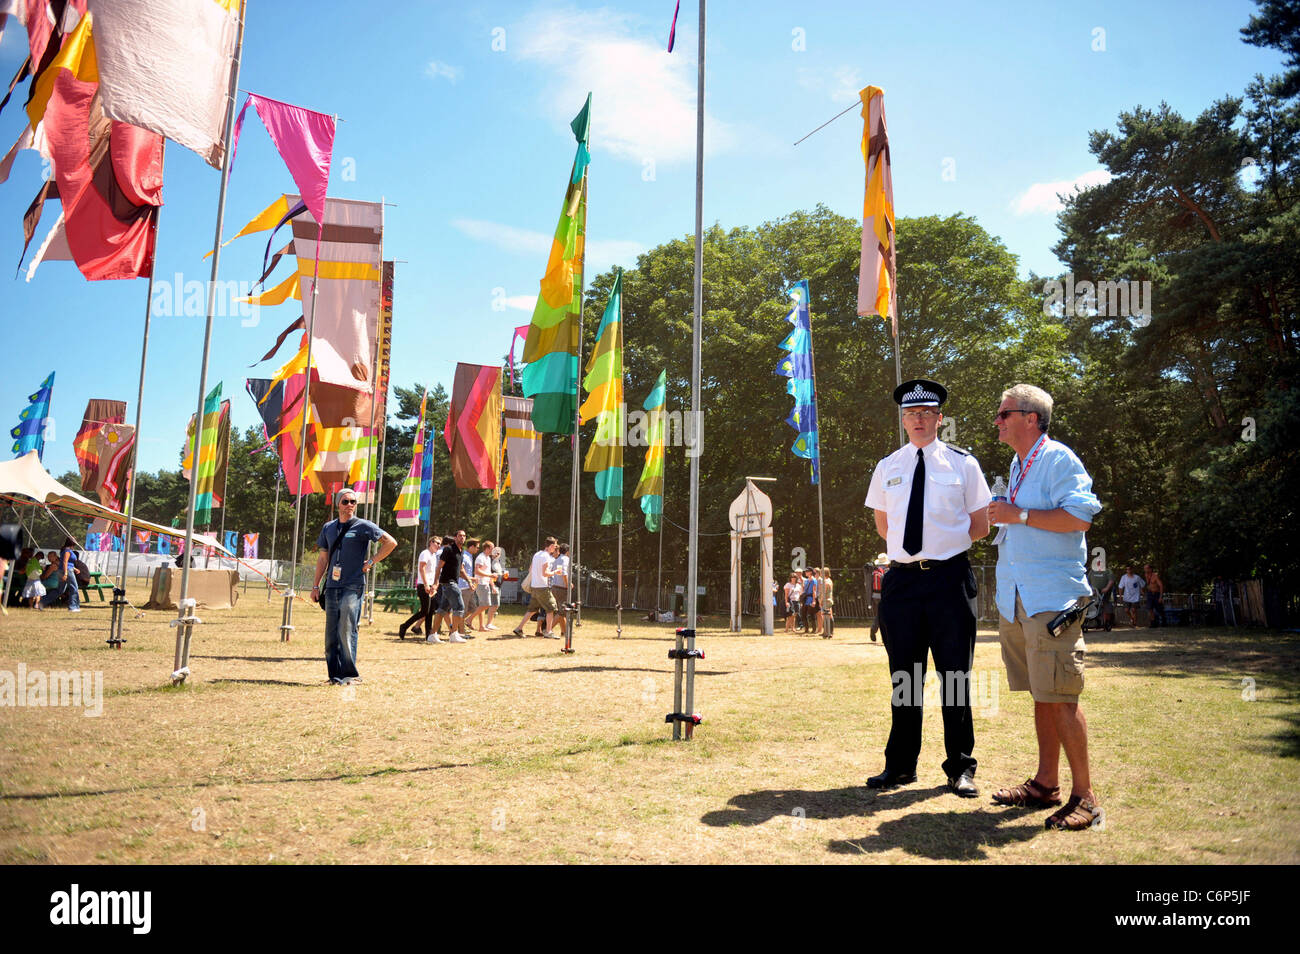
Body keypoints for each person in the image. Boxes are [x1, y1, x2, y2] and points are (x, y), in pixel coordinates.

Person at [864, 379, 991, 797]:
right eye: (911, 414)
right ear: (903, 419)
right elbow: (885, 525)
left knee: (954, 675)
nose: (918, 420)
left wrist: (943, 550)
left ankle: (960, 768)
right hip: (902, 581)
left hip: (948, 580)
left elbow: (979, 524)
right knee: (905, 677)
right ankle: (900, 766)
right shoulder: (888, 466)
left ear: (939, 418)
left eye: (926, 413)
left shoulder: (963, 463)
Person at [987, 384, 1104, 831]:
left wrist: (1017, 514)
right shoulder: (1020, 462)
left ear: (1031, 418)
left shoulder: (1058, 458)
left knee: (1062, 697)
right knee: (1043, 693)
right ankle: (1045, 784)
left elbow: (1080, 516)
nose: (997, 421)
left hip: (1051, 599)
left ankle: (1086, 799)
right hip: (1020, 598)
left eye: (1004, 414)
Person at [311, 489, 397, 684]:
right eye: (345, 501)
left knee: (347, 628)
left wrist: (372, 561)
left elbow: (391, 542)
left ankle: (350, 675)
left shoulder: (363, 526)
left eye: (353, 502)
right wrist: (315, 586)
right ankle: (334, 676)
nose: (350, 504)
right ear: (337, 504)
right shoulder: (328, 528)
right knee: (331, 633)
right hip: (332, 587)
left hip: (353, 585)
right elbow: (323, 558)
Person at [513, 537, 560, 638]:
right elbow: (545, 573)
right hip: (542, 587)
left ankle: (519, 628)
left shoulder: (537, 554)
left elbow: (531, 569)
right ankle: (548, 632)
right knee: (551, 608)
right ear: (551, 546)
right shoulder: (546, 557)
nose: (555, 548)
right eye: (555, 546)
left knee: (532, 609)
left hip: (534, 586)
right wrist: (555, 572)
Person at [431, 530, 471, 643]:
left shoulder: (461, 552)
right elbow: (439, 567)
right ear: (455, 537)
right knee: (459, 607)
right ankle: (454, 634)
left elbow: (461, 570)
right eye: (460, 536)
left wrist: (469, 581)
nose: (462, 538)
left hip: (453, 582)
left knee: (442, 610)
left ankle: (432, 635)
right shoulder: (448, 549)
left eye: (464, 536)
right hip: (448, 583)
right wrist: (435, 582)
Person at [398, 536, 440, 640]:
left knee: (430, 611)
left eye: (440, 544)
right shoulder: (425, 553)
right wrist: (426, 584)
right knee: (425, 611)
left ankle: (428, 636)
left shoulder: (434, 556)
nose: (438, 545)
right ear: (431, 542)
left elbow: (435, 572)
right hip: (423, 585)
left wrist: (435, 584)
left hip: (431, 586)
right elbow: (422, 568)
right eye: (437, 543)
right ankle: (404, 626)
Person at [38, 537, 82, 613]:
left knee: (60, 590)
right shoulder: (67, 550)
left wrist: (74, 569)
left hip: (64, 570)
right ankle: (73, 607)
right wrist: (65, 573)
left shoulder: (65, 550)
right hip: (67, 571)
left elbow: (65, 562)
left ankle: (42, 602)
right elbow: (65, 562)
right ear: (72, 542)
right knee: (74, 588)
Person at [465, 539, 497, 632]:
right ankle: (469, 619)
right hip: (481, 583)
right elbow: (477, 571)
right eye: (492, 548)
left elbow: (488, 572)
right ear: (487, 548)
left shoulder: (487, 558)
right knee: (486, 604)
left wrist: (492, 585)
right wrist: (490, 575)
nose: (493, 550)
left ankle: (481, 627)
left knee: (482, 605)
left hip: (485, 583)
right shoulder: (481, 557)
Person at [544, 543, 571, 638]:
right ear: (567, 551)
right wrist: (568, 585)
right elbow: (564, 573)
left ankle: (564, 632)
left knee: (561, 611)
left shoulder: (556, 560)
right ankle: (547, 629)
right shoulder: (566, 559)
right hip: (562, 588)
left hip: (554, 587)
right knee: (562, 612)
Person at [868, 553, 889, 642]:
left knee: (880, 614)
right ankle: (876, 630)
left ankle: (875, 629)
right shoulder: (887, 571)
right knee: (884, 616)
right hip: (884, 596)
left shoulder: (875, 571)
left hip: (875, 596)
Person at [818, 567, 834, 638]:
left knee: (826, 616)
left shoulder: (826, 582)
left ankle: (828, 632)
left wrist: (820, 601)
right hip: (829, 600)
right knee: (828, 615)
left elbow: (823, 593)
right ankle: (827, 632)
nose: (820, 574)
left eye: (821, 572)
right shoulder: (829, 580)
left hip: (826, 600)